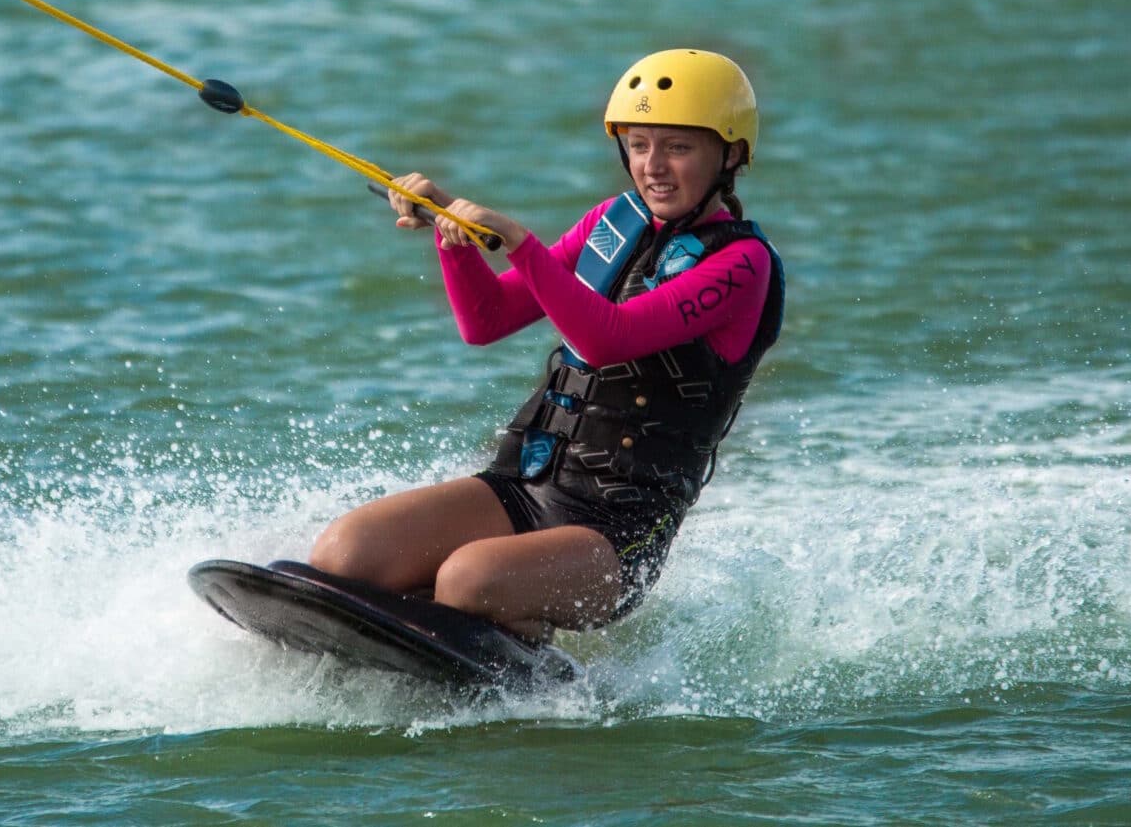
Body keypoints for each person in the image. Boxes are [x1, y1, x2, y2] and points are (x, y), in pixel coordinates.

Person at [309, 49, 785, 641]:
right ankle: (442, 623)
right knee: (345, 553)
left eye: (678, 147)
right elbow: (485, 320)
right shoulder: (613, 223)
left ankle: (514, 641)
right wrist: (451, 234)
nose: (653, 167)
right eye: (639, 145)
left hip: (616, 535)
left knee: (467, 581)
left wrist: (516, 240)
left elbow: (608, 338)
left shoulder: (742, 265)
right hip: (524, 486)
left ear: (731, 154)